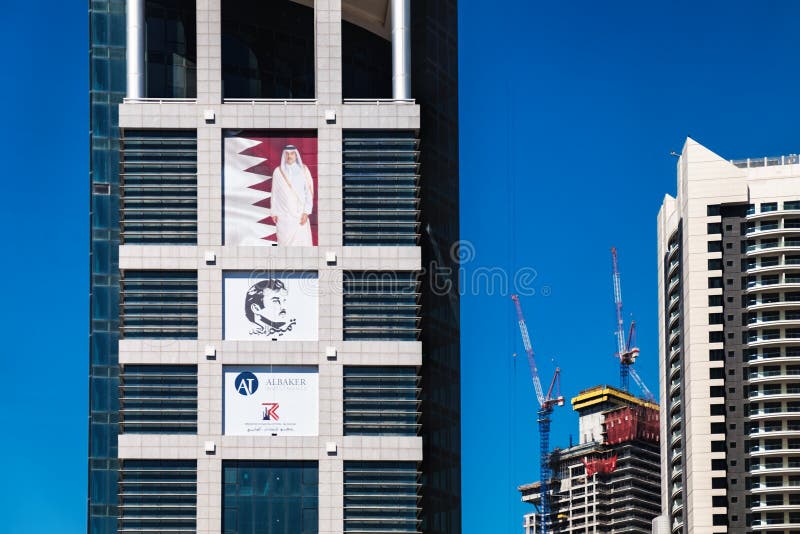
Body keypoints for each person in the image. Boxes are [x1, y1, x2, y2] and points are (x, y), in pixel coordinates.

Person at [271, 145, 314, 246]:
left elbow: (309, 192)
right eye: (287, 154)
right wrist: (274, 212)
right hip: (283, 217)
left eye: (292, 153)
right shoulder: (278, 172)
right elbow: (274, 194)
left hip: (299, 215)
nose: (289, 156)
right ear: (283, 155)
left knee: (301, 245)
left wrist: (306, 212)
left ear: (296, 155)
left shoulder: (304, 170)